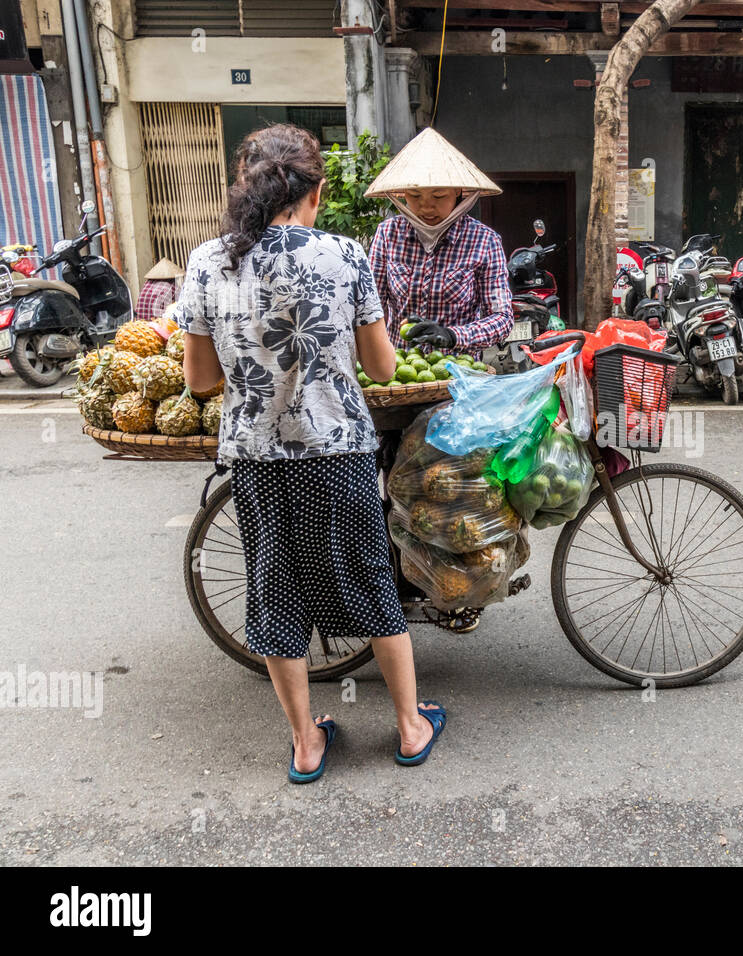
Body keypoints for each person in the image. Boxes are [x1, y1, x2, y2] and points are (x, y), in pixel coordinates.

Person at [176, 123, 447, 783]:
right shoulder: (343, 254)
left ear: (247, 188)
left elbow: (198, 381)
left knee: (275, 592)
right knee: (366, 579)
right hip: (337, 449)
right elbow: (383, 367)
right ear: (316, 191)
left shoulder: (210, 260)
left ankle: (305, 743)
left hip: (257, 455)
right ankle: (410, 728)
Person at [364, 127, 513, 356]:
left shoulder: (484, 241)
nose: (426, 206)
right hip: (401, 370)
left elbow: (502, 319)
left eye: (439, 195)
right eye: (415, 196)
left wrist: (452, 335)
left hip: (459, 370)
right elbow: (370, 308)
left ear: (458, 193)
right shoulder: (387, 235)